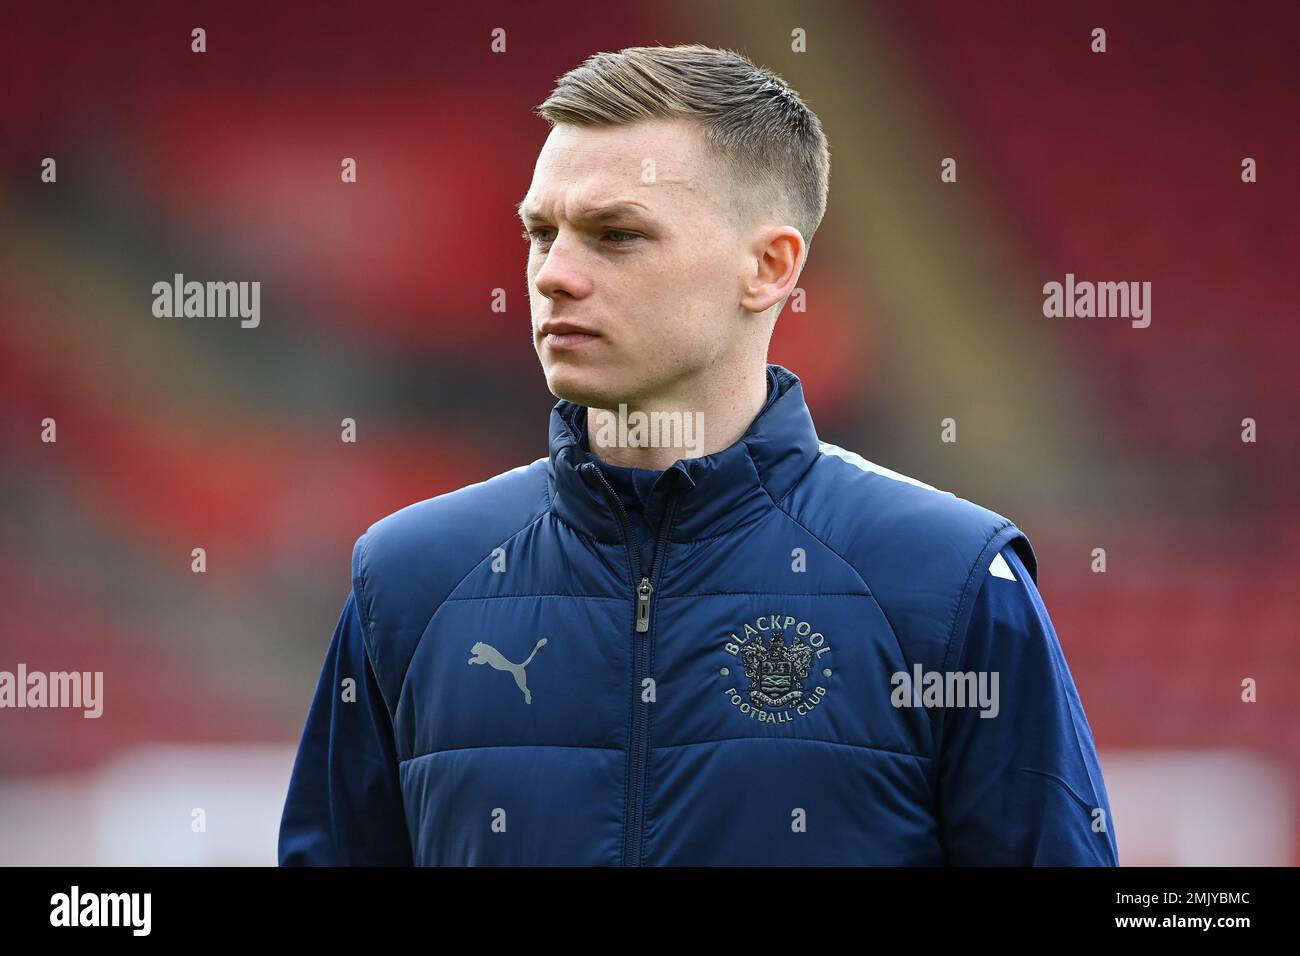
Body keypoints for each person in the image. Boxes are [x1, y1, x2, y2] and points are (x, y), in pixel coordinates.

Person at [278, 43, 1118, 866]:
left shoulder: (948, 580)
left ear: (768, 267)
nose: (553, 275)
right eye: (542, 232)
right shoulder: (409, 577)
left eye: (615, 235)